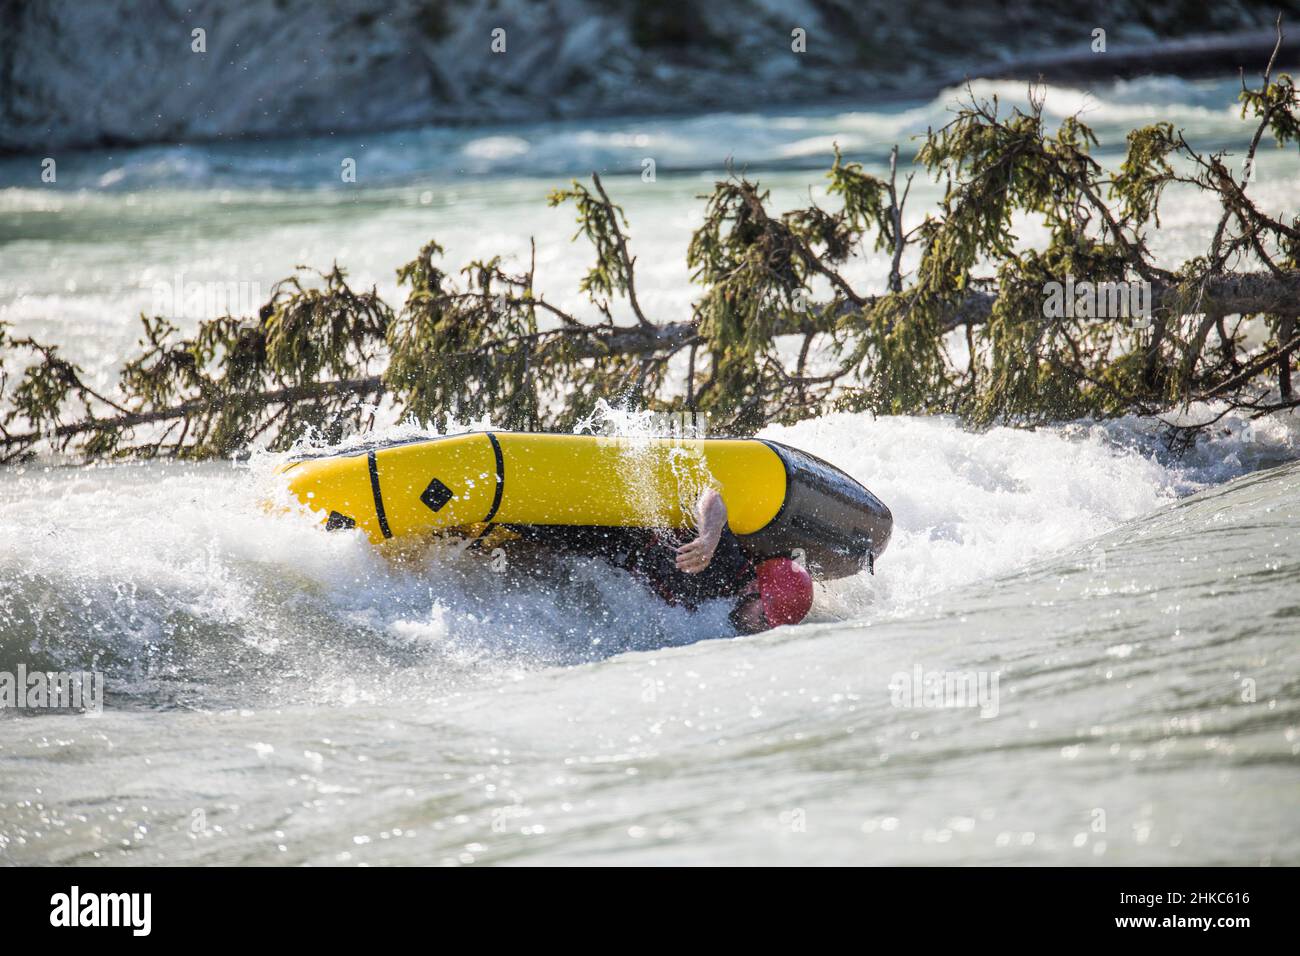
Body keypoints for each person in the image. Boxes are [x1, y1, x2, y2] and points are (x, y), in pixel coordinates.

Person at [523, 488, 813, 633]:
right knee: (532, 523)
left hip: (614, 565)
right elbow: (710, 496)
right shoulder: (728, 565)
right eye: (762, 618)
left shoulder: (718, 620)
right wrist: (708, 539)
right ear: (755, 590)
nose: (758, 629)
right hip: (621, 535)